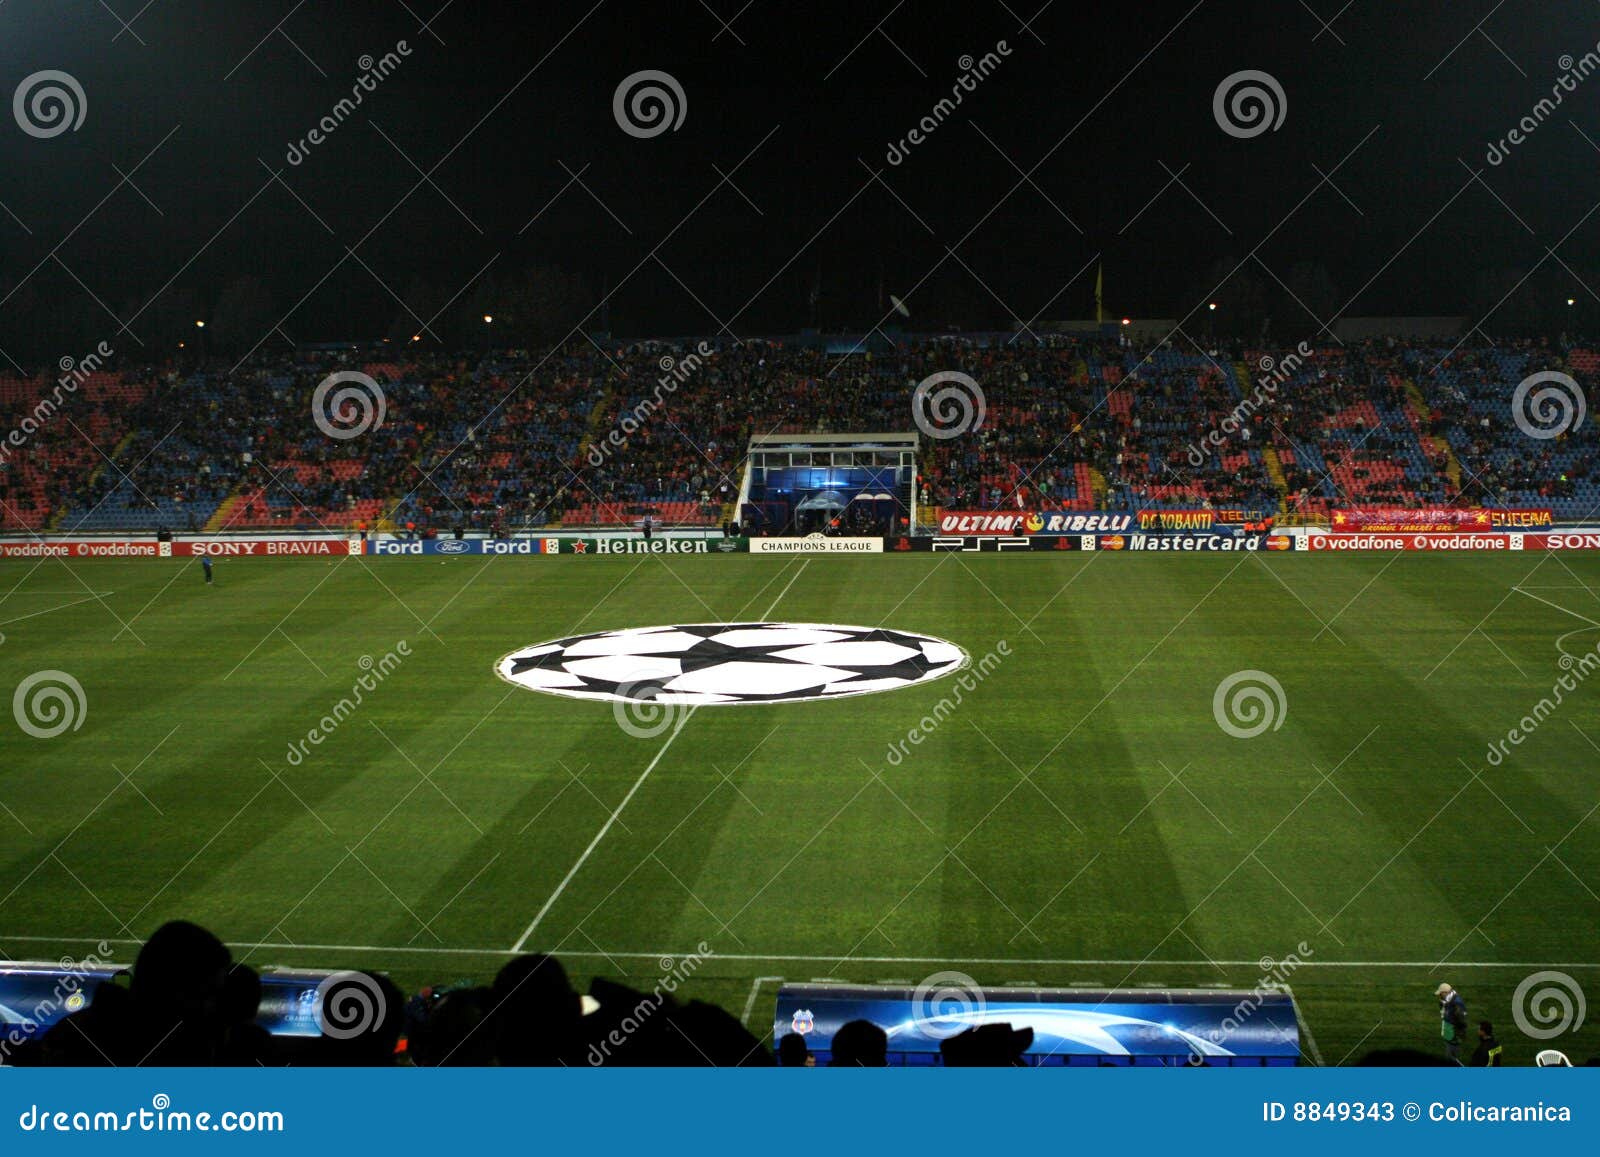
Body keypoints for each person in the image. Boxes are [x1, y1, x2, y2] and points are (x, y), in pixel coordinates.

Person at [1437, 982, 1468, 1062]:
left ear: (1445, 993)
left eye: (1440, 993)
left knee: (1452, 1058)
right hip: (1450, 1033)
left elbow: (1461, 1021)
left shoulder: (1456, 1003)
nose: (1439, 995)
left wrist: (1458, 1035)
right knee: (1450, 1056)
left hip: (1454, 1035)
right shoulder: (1448, 1000)